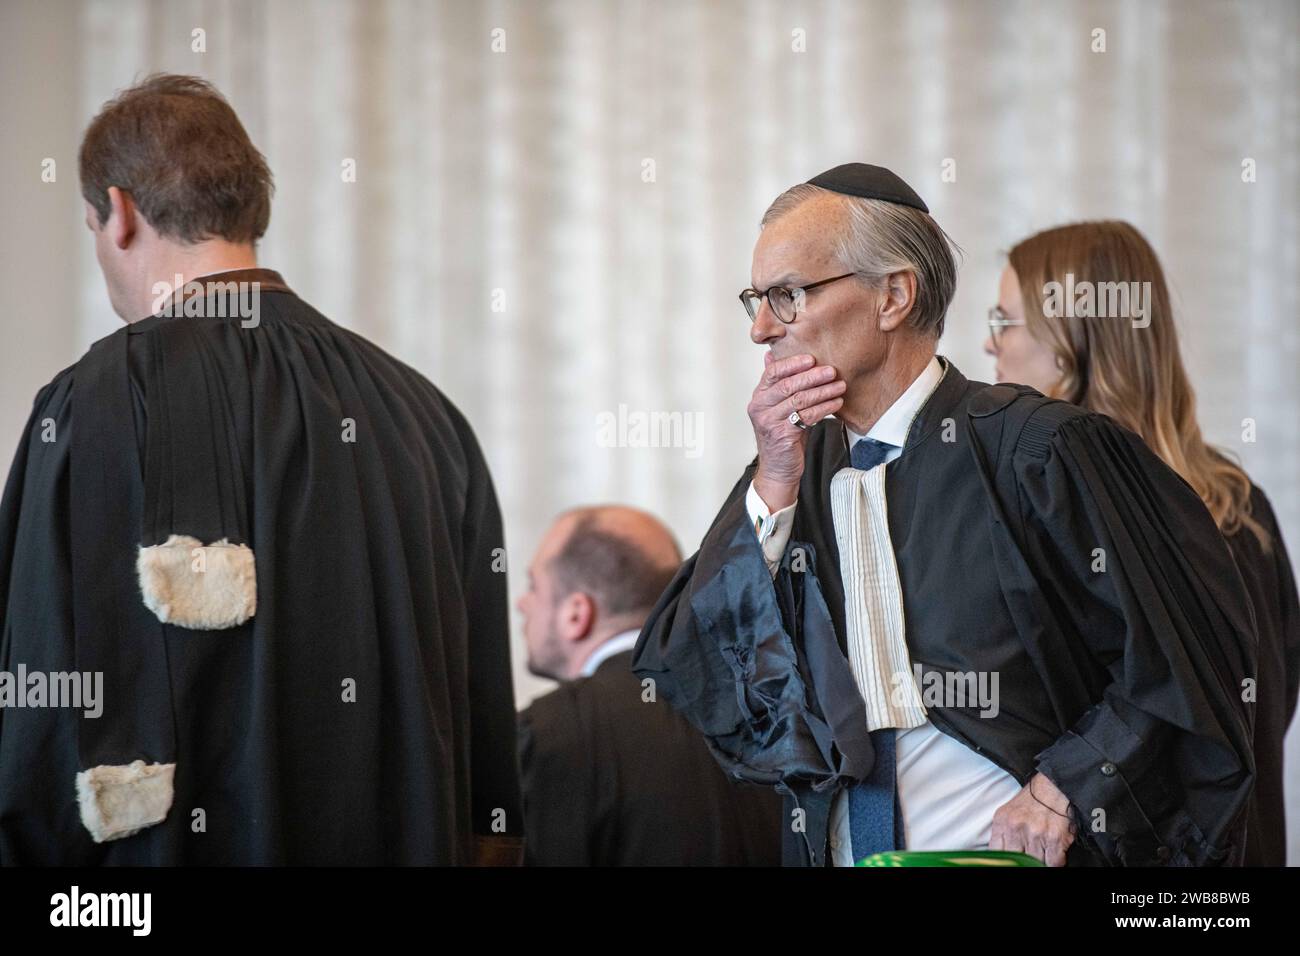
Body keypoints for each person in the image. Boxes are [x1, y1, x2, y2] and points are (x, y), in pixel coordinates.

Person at [632, 163, 1258, 867]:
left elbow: (1185, 655)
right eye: (755, 298)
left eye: (787, 295)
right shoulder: (793, 472)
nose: (760, 328)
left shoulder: (1038, 451)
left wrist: (1066, 787)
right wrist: (773, 480)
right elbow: (696, 670)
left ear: (894, 295)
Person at [0, 74, 522, 864]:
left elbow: (35, 714)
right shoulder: (426, 416)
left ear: (121, 215)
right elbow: (487, 762)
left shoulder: (90, 406)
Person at [984, 220, 1299, 865]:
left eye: (1005, 321)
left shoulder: (1075, 523)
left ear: (1070, 343)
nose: (990, 347)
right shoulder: (1242, 508)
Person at [517, 506, 783, 865]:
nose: (522, 603)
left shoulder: (548, 734)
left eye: (534, 585)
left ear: (576, 614)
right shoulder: (767, 708)